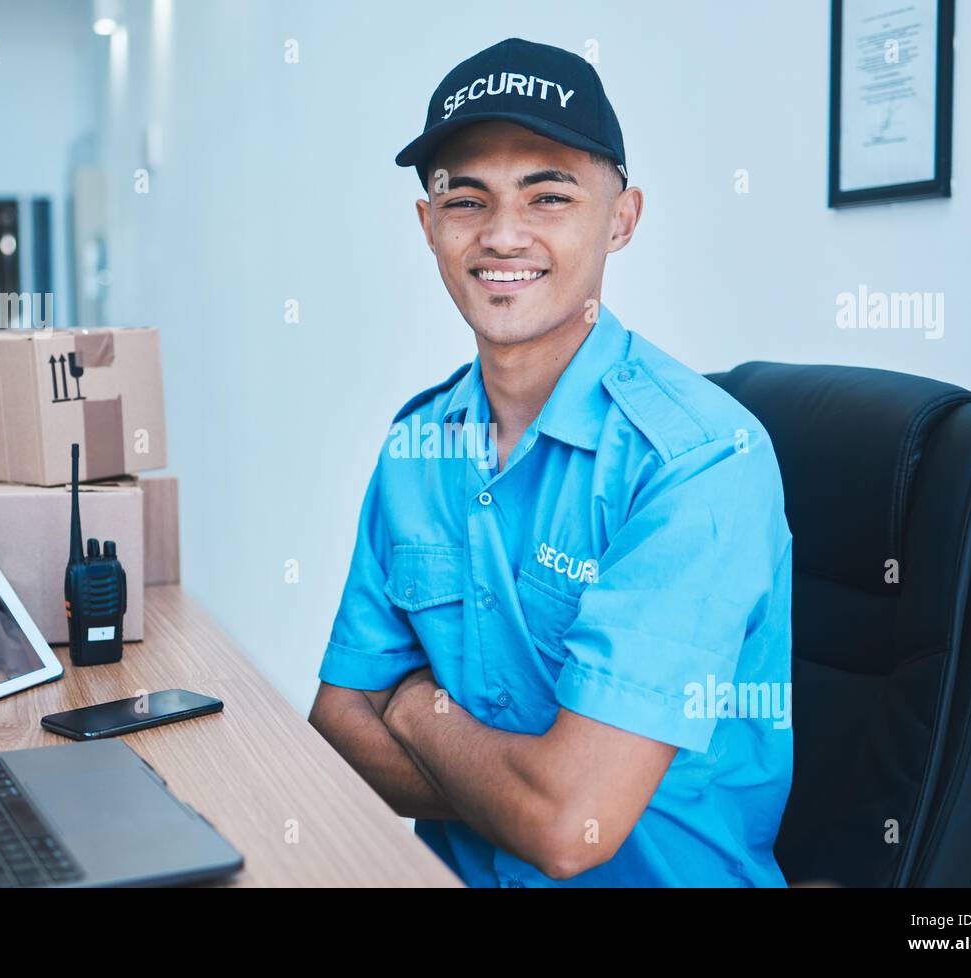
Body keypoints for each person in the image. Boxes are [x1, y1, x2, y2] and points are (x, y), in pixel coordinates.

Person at [309, 37, 794, 887]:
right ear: (428, 226)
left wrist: (418, 710)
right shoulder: (415, 447)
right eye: (466, 199)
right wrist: (525, 793)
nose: (503, 235)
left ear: (622, 217)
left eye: (549, 194)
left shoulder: (701, 462)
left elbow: (574, 826)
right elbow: (337, 722)